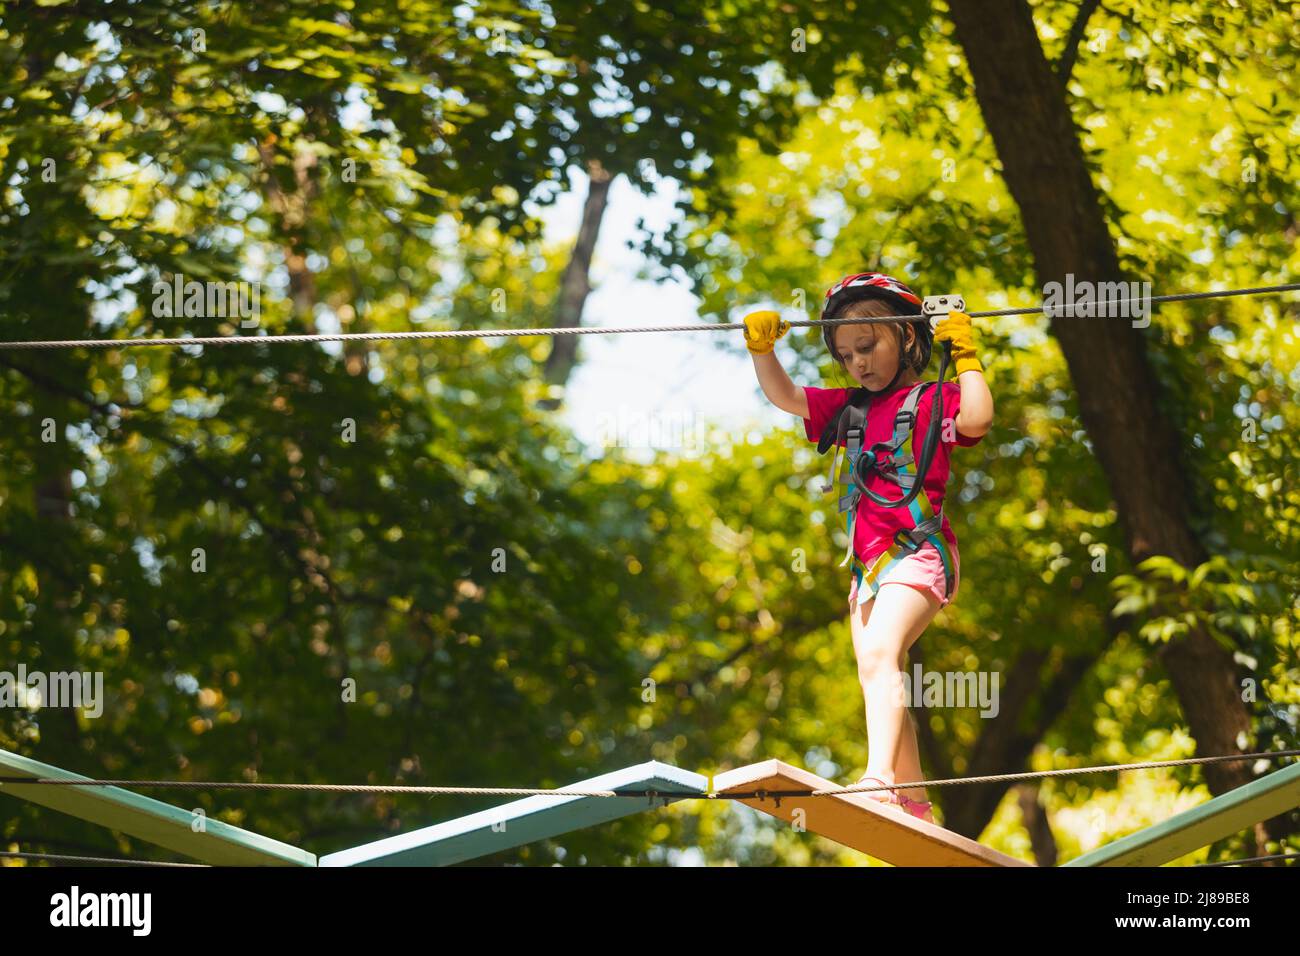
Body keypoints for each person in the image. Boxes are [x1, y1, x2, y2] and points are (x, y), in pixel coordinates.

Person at [742, 272, 993, 826]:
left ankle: (879, 782)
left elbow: (976, 418)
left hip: (919, 552)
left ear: (905, 335)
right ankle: (915, 800)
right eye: (845, 355)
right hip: (869, 568)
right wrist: (762, 351)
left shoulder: (932, 398)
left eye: (868, 345)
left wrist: (966, 351)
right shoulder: (848, 408)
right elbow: (787, 396)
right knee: (876, 671)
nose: (858, 363)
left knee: (882, 656)